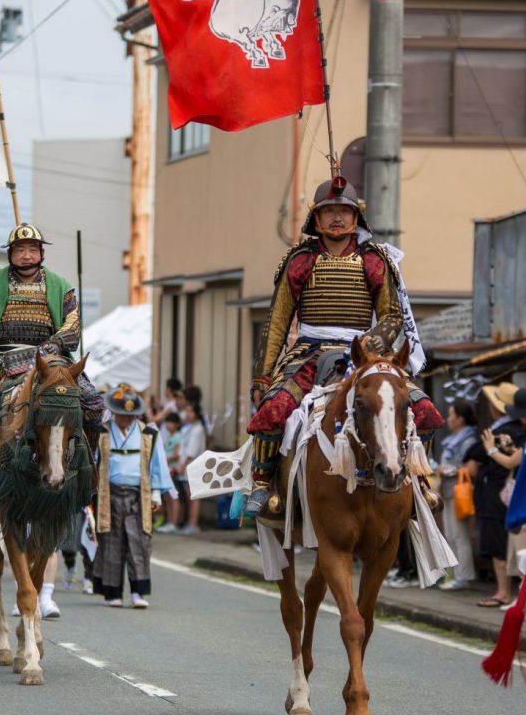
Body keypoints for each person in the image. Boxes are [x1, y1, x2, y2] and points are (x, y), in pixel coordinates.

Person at [246, 176, 442, 520]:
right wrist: (263, 376)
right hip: (308, 353)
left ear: (357, 217)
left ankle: (420, 482)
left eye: (344, 211)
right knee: (274, 408)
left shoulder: (375, 260)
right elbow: (277, 322)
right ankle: (264, 486)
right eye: (329, 211)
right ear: (316, 219)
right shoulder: (299, 259)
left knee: (423, 408)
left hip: (363, 355)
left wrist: (369, 343)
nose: (337, 217)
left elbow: (393, 317)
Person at [0, 223, 104, 471]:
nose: (27, 256)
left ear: (42, 253)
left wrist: (55, 343)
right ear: (10, 253)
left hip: (50, 358)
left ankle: (84, 467)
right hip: (0, 358)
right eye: (20, 249)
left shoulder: (61, 286)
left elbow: (73, 322)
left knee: (92, 404)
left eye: (33, 249)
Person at [96, 385, 176, 608]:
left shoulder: (148, 434)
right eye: (122, 416)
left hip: (138, 495)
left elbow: (157, 466)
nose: (126, 420)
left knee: (139, 541)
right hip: (109, 494)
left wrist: (156, 495)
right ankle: (113, 592)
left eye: (130, 416)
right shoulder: (102, 432)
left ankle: (138, 592)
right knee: (112, 542)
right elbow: (95, 463)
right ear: (114, 413)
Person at [465, 383, 526, 608]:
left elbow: (512, 461)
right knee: (515, 546)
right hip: (515, 493)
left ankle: (506, 593)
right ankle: (521, 597)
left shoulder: (514, 431)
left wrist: (491, 448)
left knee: (506, 545)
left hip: (503, 495)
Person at [436, 401, 478, 591]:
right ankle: (456, 576)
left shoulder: (468, 440)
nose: (449, 418)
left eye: (452, 415)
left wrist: (446, 469)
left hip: (458, 491)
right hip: (449, 491)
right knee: (451, 535)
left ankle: (463, 577)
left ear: (461, 419)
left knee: (460, 536)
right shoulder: (455, 438)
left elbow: (471, 469)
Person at [174, 393, 208, 534]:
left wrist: (181, 465)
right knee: (189, 496)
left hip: (192, 467)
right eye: (186, 411)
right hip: (187, 467)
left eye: (190, 411)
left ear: (196, 413)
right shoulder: (190, 427)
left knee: (193, 497)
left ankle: (193, 524)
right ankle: (190, 523)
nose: (187, 414)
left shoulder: (198, 429)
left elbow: (191, 452)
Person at [156, 411, 184, 534]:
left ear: (177, 424)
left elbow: (177, 455)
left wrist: (164, 459)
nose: (168, 425)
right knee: (167, 497)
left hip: (172, 469)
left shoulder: (178, 436)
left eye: (171, 422)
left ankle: (174, 523)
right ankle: (170, 521)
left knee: (173, 497)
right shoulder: (168, 436)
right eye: (167, 422)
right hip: (166, 469)